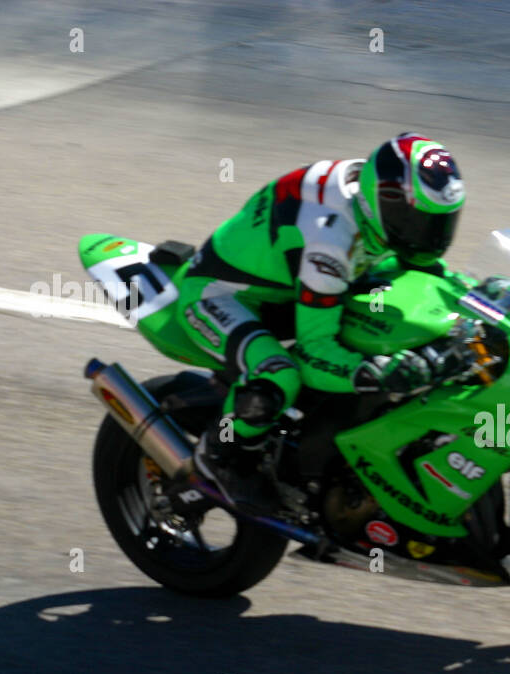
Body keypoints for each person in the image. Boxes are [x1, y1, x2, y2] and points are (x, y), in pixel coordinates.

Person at [170, 132, 466, 513]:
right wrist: (375, 374)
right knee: (277, 376)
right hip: (222, 295)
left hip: (291, 287)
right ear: (387, 203)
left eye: (441, 223)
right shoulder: (329, 238)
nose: (431, 236)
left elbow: (425, 270)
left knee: (389, 321)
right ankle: (213, 462)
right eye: (420, 222)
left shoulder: (370, 199)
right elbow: (315, 353)